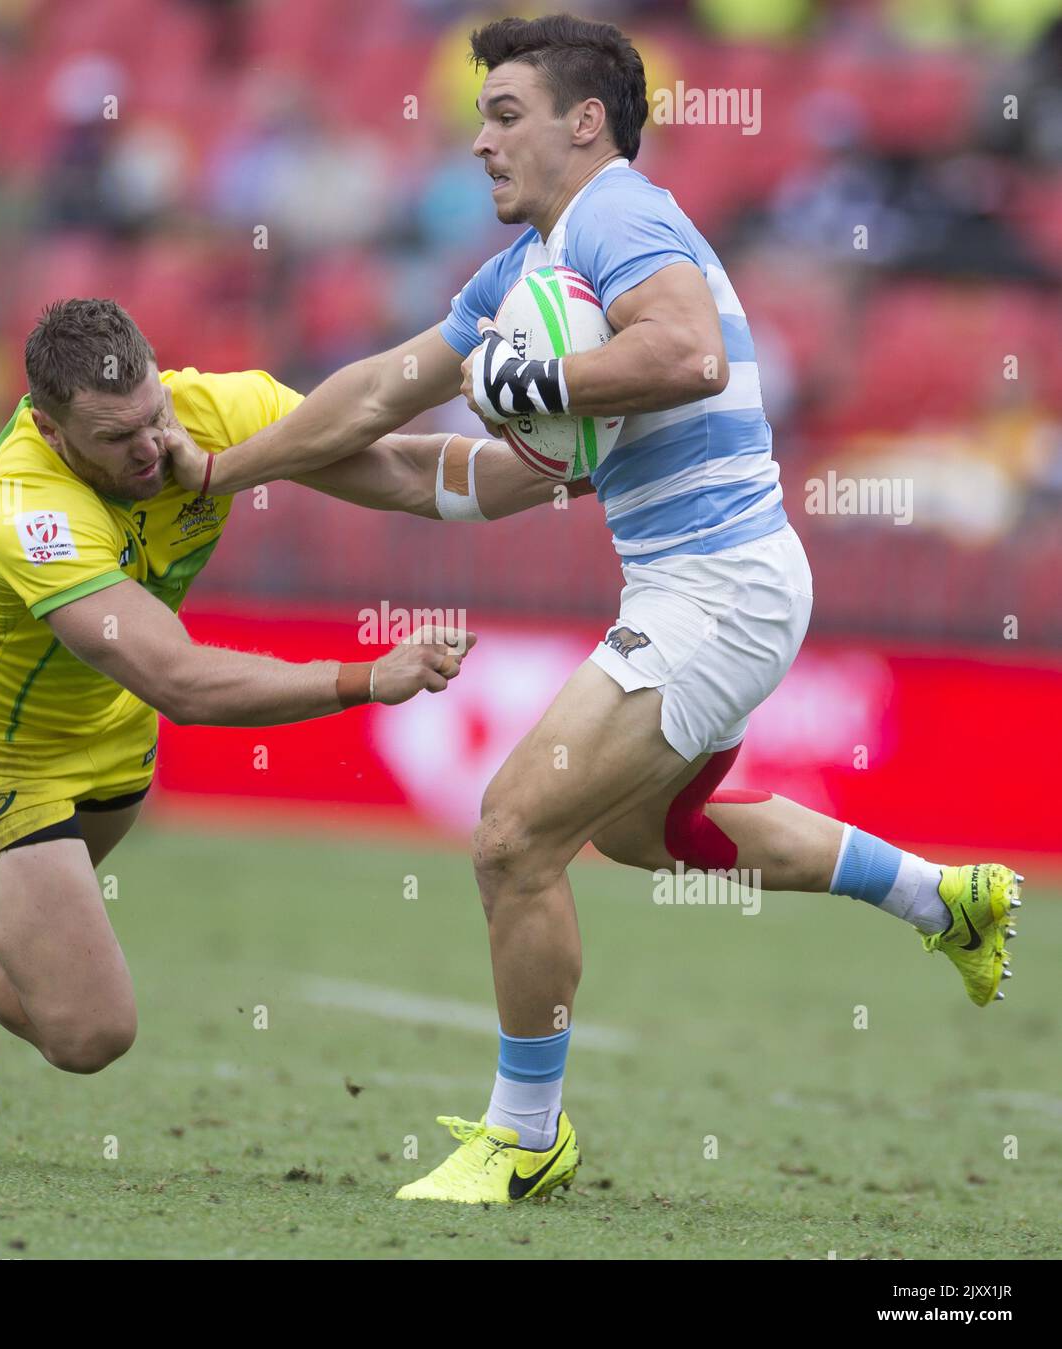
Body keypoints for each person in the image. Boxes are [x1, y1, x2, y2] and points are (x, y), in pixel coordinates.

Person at [175, 15, 1023, 1205]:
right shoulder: (527, 272)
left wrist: (541, 382)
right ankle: (946, 897)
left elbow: (684, 356)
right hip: (712, 584)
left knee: (513, 835)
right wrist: (230, 464)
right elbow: (387, 408)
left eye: (505, 113)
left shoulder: (619, 212)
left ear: (586, 123)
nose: (478, 141)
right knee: (642, 837)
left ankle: (526, 1139)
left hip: (716, 590)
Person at [0, 296, 570, 1112]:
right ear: (53, 433)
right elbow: (180, 681)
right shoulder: (27, 508)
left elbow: (404, 469)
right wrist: (364, 678)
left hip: (110, 719)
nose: (148, 450)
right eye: (114, 438)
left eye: (151, 417)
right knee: (89, 1032)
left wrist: (567, 474)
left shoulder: (214, 410)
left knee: (23, 927)